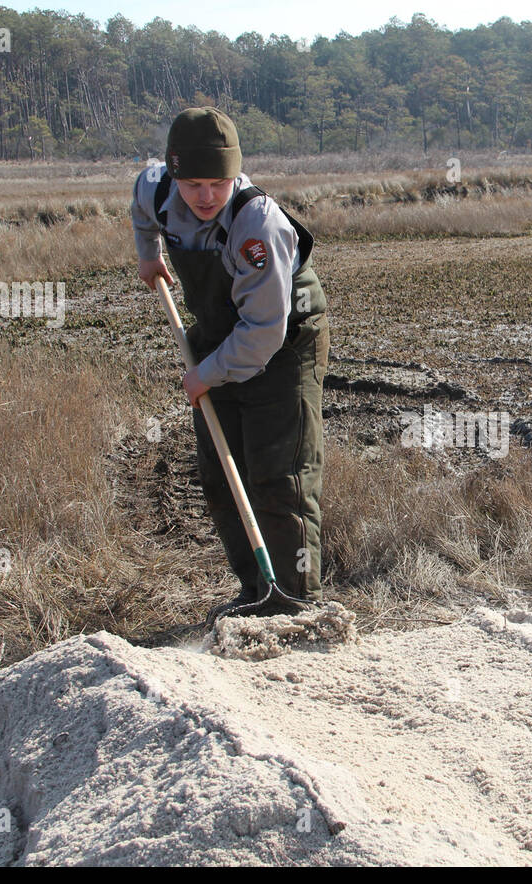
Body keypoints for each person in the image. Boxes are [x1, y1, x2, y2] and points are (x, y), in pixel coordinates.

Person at [130, 106, 328, 616]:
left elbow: (263, 333)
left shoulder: (257, 224)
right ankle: (255, 590)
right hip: (221, 333)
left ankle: (294, 602)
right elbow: (141, 203)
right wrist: (148, 252)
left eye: (217, 183)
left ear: (234, 174)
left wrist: (205, 375)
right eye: (193, 183)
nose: (205, 196)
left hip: (283, 340)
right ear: (175, 175)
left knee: (277, 474)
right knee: (222, 475)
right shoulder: (157, 189)